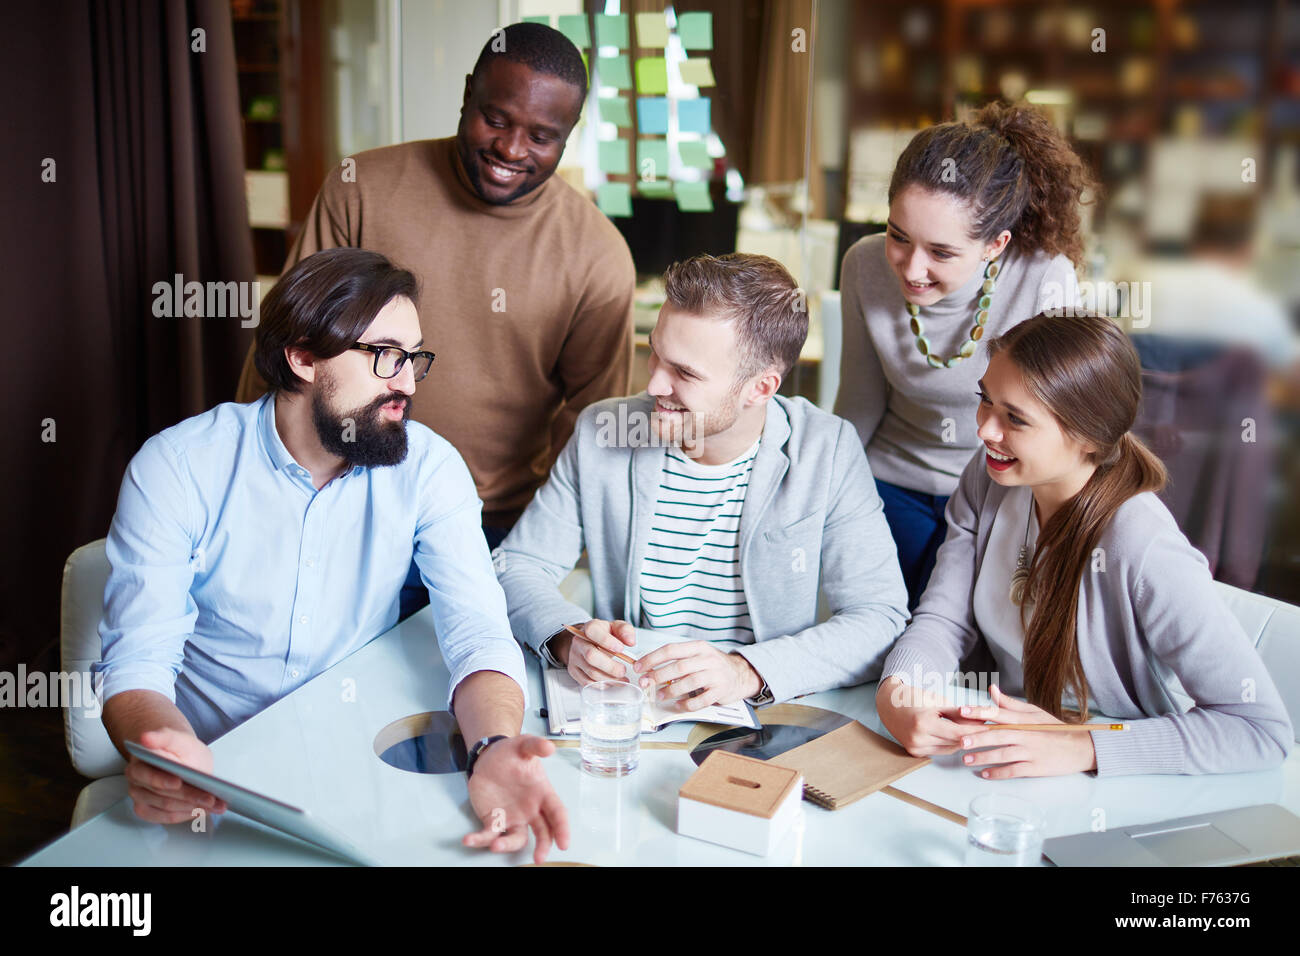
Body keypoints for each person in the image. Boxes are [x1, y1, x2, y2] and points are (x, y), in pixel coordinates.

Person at [97, 248, 569, 863]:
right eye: (384, 357)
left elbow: (478, 631)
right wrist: (162, 752)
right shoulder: (178, 468)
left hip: (358, 761)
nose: (405, 381)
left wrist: (493, 746)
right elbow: (137, 663)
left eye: (413, 358)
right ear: (302, 358)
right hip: (217, 775)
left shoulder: (430, 469)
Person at [234, 22, 635, 612]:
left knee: (446, 696)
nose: (511, 149)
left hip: (485, 531)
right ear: (469, 90)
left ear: (570, 135)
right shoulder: (361, 188)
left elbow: (591, 431)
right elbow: (287, 349)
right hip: (330, 500)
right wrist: (251, 488)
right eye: (496, 119)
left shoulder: (597, 257)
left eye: (542, 136)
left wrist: (542, 557)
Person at [875, 312, 1293, 777]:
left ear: (1089, 438)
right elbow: (945, 618)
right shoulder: (990, 477)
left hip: (1120, 781)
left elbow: (1260, 729)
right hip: (1009, 759)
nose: (985, 431)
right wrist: (899, 689)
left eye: (1015, 418)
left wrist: (1082, 748)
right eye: (985, 400)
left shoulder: (1144, 545)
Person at [495, 254, 909, 709]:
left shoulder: (826, 451)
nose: (653, 384)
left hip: (760, 716)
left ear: (761, 388)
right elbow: (515, 566)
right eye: (655, 352)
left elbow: (880, 618)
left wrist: (744, 671)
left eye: (685, 373)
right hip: (630, 709)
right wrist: (566, 637)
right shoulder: (604, 431)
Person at [835, 101, 1093, 610]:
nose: (912, 268)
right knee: (886, 636)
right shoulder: (863, 264)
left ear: (996, 244)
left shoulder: (1044, 279)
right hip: (891, 485)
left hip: (1001, 491)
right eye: (898, 236)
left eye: (942, 252)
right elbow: (859, 401)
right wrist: (826, 493)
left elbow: (1062, 423)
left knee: (976, 647)